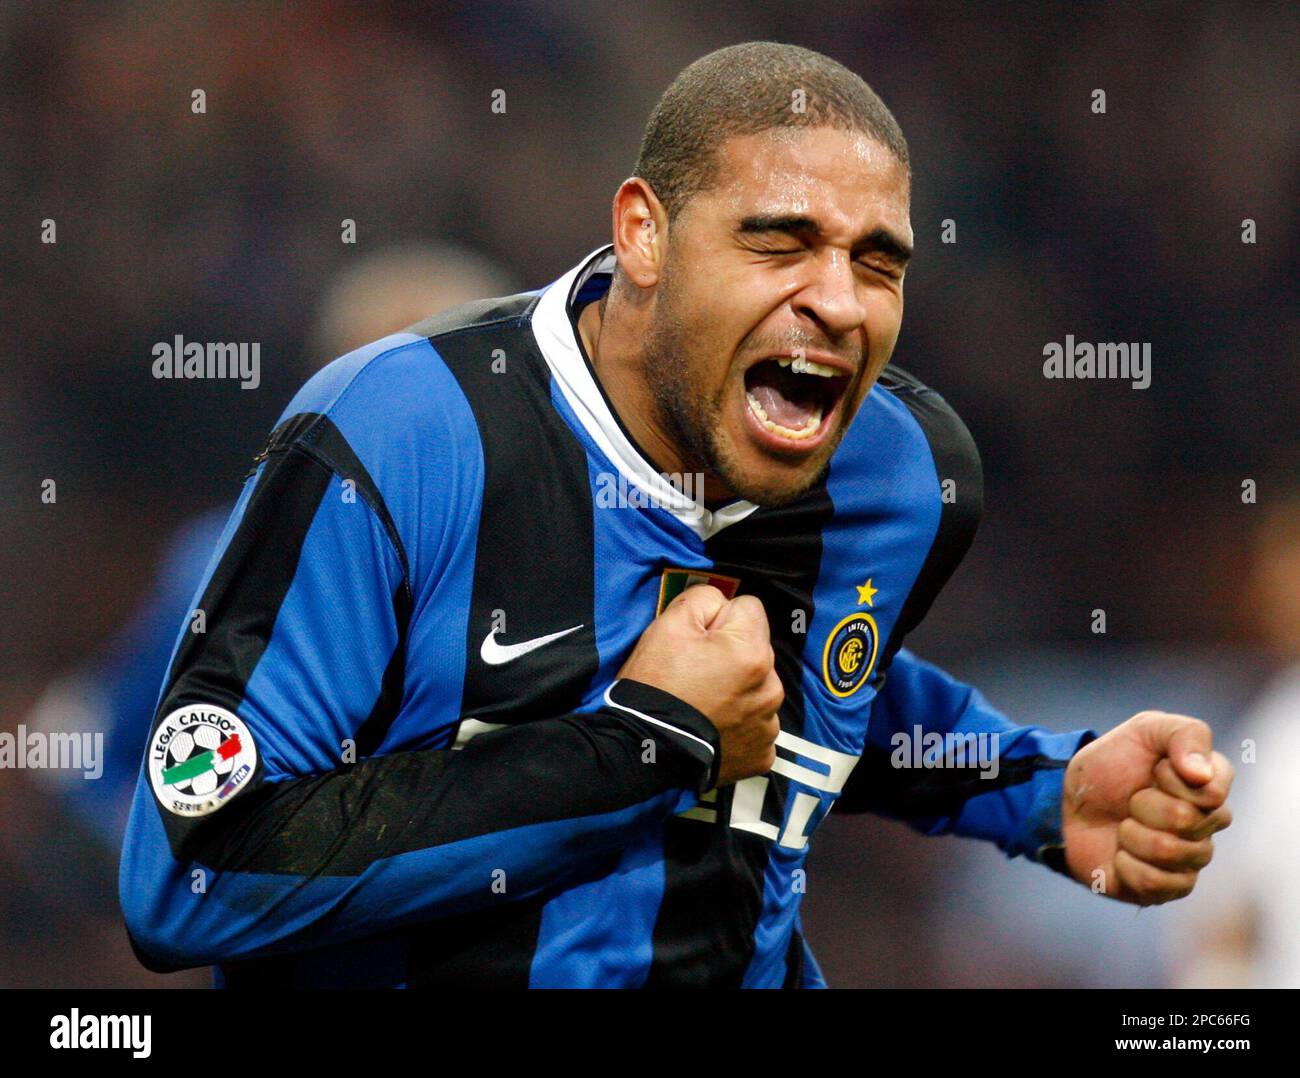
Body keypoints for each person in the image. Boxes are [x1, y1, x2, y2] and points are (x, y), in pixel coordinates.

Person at [119, 42, 1233, 989]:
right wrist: (641, 744)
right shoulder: (400, 437)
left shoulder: (902, 475)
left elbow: (816, 686)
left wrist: (1032, 787)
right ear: (645, 234)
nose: (837, 302)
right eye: (778, 240)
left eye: (876, 262)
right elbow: (192, 874)